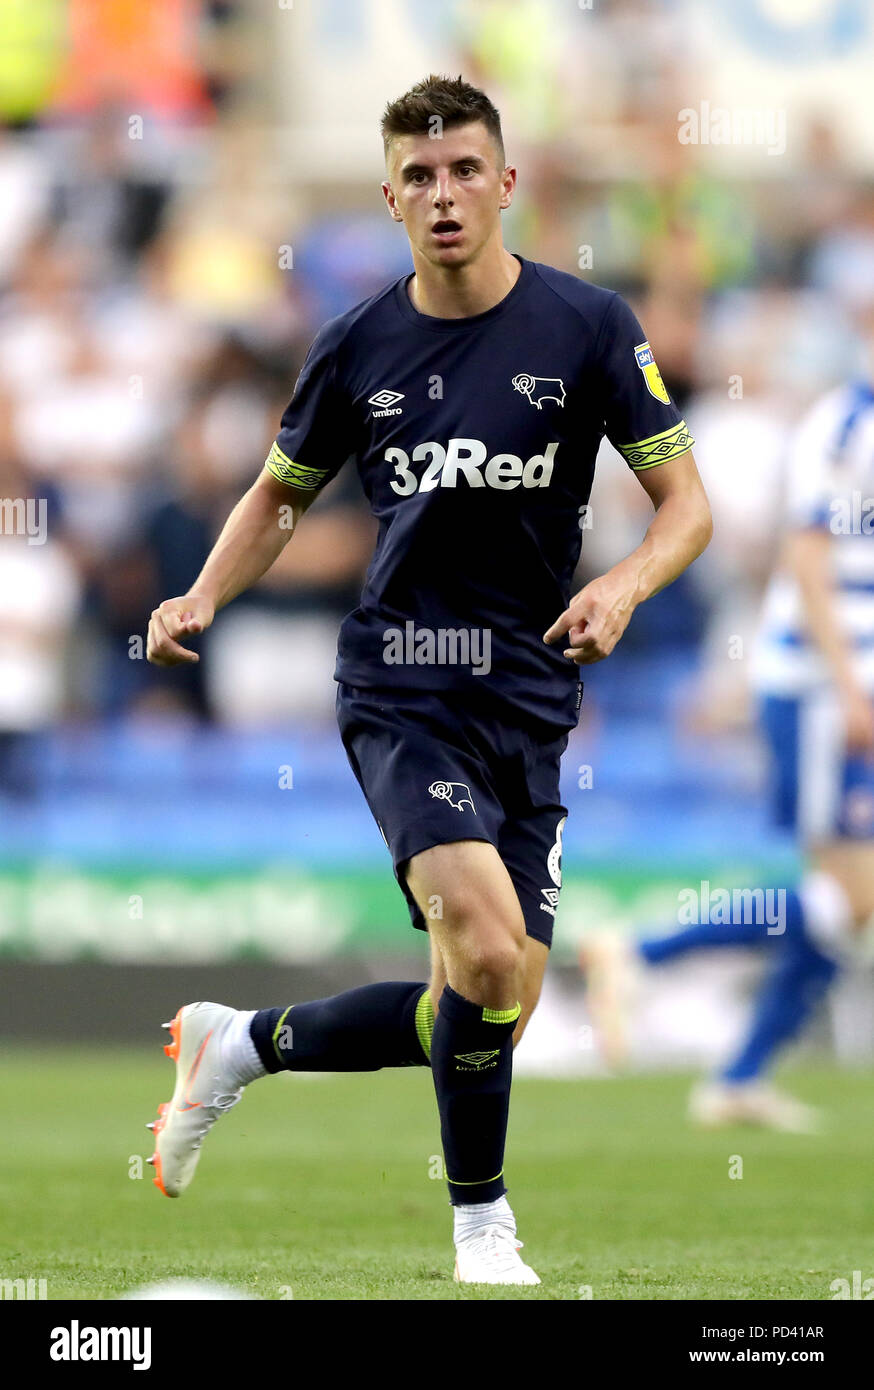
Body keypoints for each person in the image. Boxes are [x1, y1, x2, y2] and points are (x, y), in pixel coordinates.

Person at [145, 74, 710, 1285]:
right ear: (390, 198)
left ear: (506, 185)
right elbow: (279, 496)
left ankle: (239, 1042)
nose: (443, 195)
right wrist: (201, 593)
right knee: (492, 963)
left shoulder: (589, 327)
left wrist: (622, 588)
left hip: (530, 699)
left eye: (464, 171)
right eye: (418, 177)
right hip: (402, 687)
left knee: (489, 998)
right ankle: (481, 1230)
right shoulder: (358, 344)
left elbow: (687, 507)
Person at [582, 371, 874, 1132]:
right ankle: (641, 950)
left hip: (848, 695)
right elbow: (805, 558)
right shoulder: (845, 423)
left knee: (842, 908)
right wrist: (849, 690)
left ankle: (740, 1077)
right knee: (849, 899)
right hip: (823, 693)